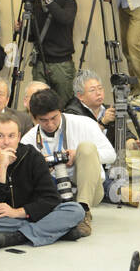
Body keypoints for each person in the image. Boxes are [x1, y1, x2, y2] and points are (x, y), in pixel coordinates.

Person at [0, 113, 83, 250]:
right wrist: (2, 167)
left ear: (19, 137)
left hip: (33, 214)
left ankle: (17, 237)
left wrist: (18, 212)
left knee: (76, 210)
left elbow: (51, 199)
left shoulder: (32, 156)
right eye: (0, 136)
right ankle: (54, 230)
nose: (5, 142)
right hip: (6, 219)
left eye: (11, 136)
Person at [23, 88, 116, 237]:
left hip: (89, 189)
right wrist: (41, 167)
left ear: (61, 111)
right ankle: (66, 215)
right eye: (44, 120)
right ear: (34, 118)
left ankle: (83, 210)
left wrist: (77, 154)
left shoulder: (83, 123)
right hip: (54, 193)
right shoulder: (28, 139)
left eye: (54, 118)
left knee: (86, 148)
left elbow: (111, 155)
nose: (51, 124)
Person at [26, 0, 78, 105]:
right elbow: (32, 37)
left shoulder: (68, 2)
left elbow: (64, 18)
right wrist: (21, 29)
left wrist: (47, 0)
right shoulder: (35, 5)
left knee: (65, 105)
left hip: (61, 64)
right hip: (40, 64)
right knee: (39, 105)